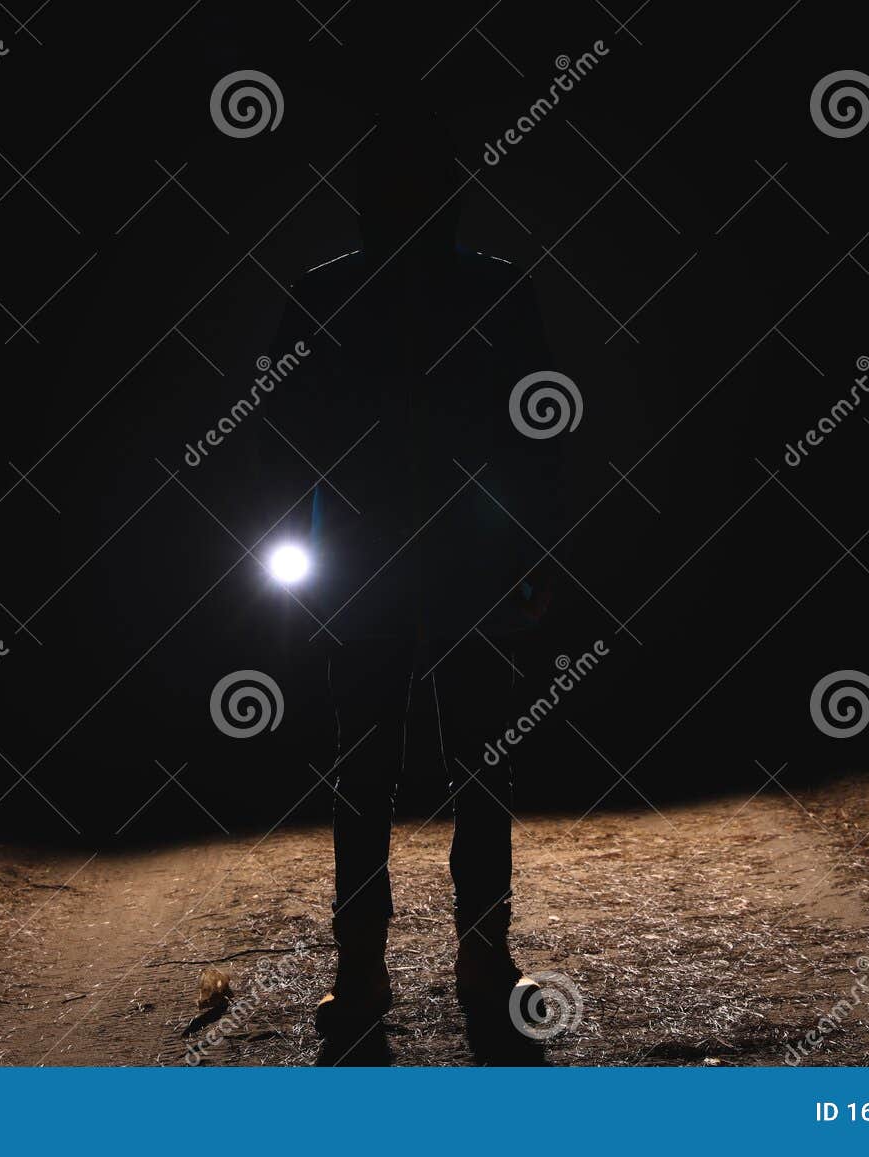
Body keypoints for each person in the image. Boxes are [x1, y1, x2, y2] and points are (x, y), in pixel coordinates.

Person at [254, 110, 564, 1039]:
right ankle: (410, 959)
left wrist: (536, 545)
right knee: (413, 765)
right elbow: (284, 437)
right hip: (396, 563)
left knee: (425, 766)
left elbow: (535, 433)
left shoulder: (352, 293)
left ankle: (416, 959)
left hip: (418, 561)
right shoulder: (467, 291)